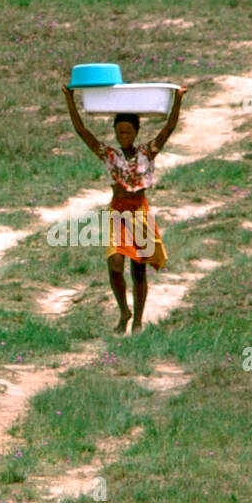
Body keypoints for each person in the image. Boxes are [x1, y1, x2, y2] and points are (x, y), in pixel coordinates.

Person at [64, 85, 185, 333]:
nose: (124, 135)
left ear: (136, 132)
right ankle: (124, 311)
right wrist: (70, 99)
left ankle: (138, 320)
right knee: (115, 264)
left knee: (139, 269)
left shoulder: (147, 153)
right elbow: (81, 131)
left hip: (139, 211)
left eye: (128, 131)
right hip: (118, 212)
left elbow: (169, 128)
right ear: (116, 134)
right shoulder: (109, 155)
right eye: (120, 132)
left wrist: (177, 99)